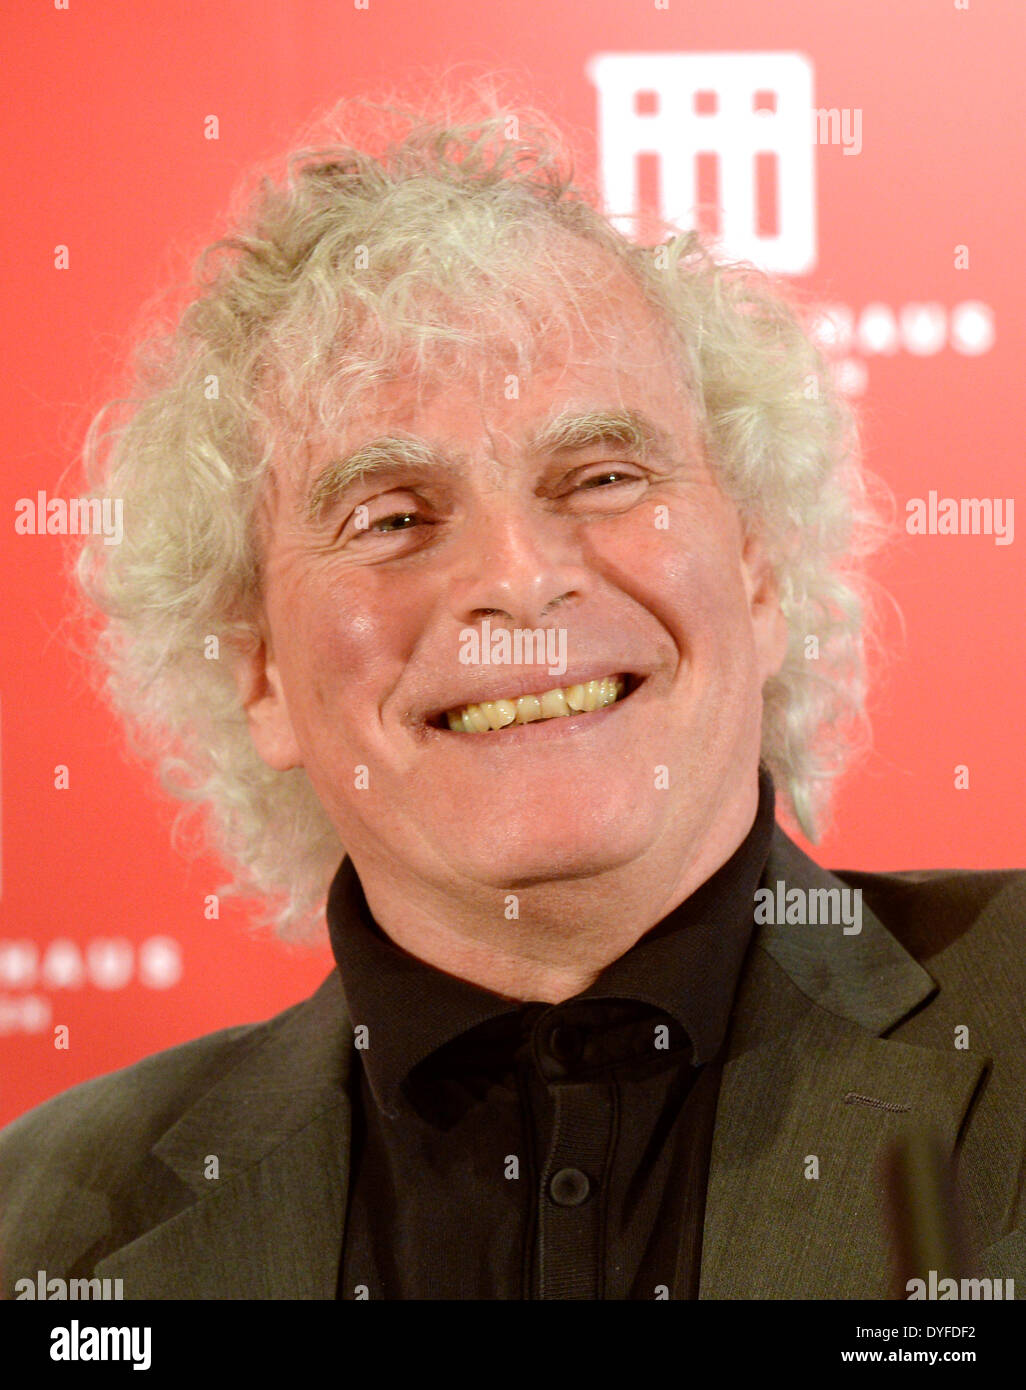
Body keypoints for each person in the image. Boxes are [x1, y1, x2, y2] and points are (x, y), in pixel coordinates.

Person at [1, 96, 1023, 1301]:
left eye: (600, 475)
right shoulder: (44, 1233)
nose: (520, 578)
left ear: (755, 568)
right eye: (391, 517)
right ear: (258, 669)